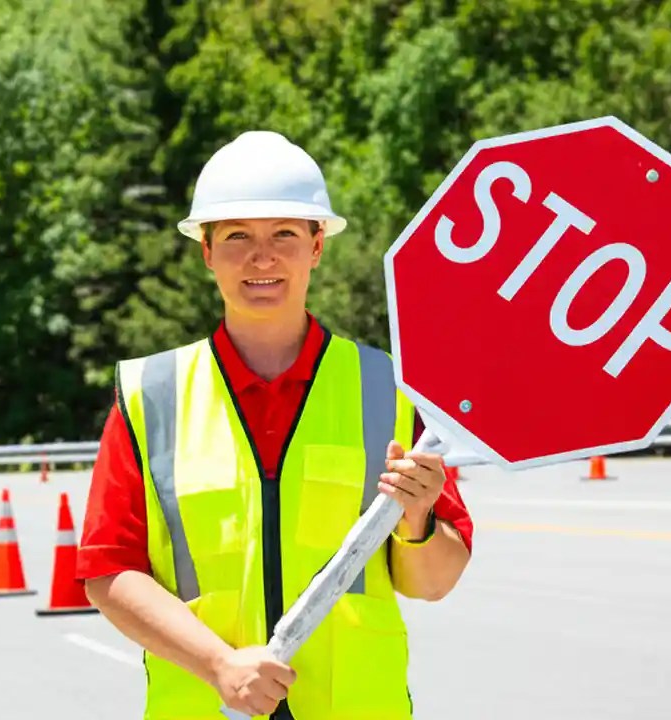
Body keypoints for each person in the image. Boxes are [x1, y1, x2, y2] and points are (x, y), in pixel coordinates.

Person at [76, 130, 474, 720]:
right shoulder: (150, 396)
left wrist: (416, 520)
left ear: (317, 246)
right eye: (237, 236)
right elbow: (108, 570)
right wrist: (219, 666)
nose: (262, 257)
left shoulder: (390, 389)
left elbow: (435, 580)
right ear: (206, 251)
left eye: (284, 234)